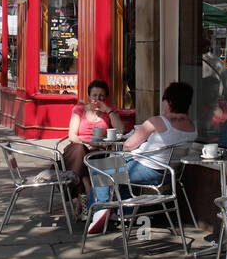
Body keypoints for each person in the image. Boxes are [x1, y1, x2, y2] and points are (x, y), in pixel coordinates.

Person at [88, 81, 197, 235]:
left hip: (145, 169)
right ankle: (123, 212)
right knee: (119, 174)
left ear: (170, 102)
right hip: (169, 175)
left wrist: (143, 141)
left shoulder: (157, 121)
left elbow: (127, 146)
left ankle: (100, 210)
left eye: (164, 99)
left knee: (98, 169)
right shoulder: (192, 126)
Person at [62, 79, 133, 215]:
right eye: (94, 95)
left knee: (90, 157)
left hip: (99, 152)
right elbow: (72, 135)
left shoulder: (109, 112)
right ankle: (87, 187)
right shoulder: (79, 109)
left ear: (105, 97)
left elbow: (121, 130)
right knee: (80, 151)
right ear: (89, 96)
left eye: (101, 96)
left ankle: (81, 194)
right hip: (76, 150)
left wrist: (108, 111)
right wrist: (86, 144)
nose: (97, 99)